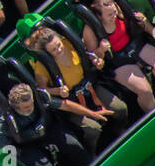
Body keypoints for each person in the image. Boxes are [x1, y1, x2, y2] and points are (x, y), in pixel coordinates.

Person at [24, 25, 128, 153]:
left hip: (89, 88)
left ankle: (119, 132)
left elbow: (89, 56)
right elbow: (42, 91)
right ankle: (92, 152)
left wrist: (98, 60)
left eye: (58, 44)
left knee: (120, 108)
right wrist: (57, 91)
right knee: (93, 128)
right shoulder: (42, 66)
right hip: (71, 100)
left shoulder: (69, 43)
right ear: (47, 53)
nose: (59, 48)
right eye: (54, 49)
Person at [80, 0, 155, 114]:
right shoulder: (90, 30)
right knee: (145, 91)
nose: (114, 16)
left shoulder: (120, 9)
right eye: (109, 15)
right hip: (118, 60)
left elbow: (144, 24)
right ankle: (154, 114)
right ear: (98, 16)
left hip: (136, 45)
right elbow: (94, 58)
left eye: (114, 10)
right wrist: (101, 50)